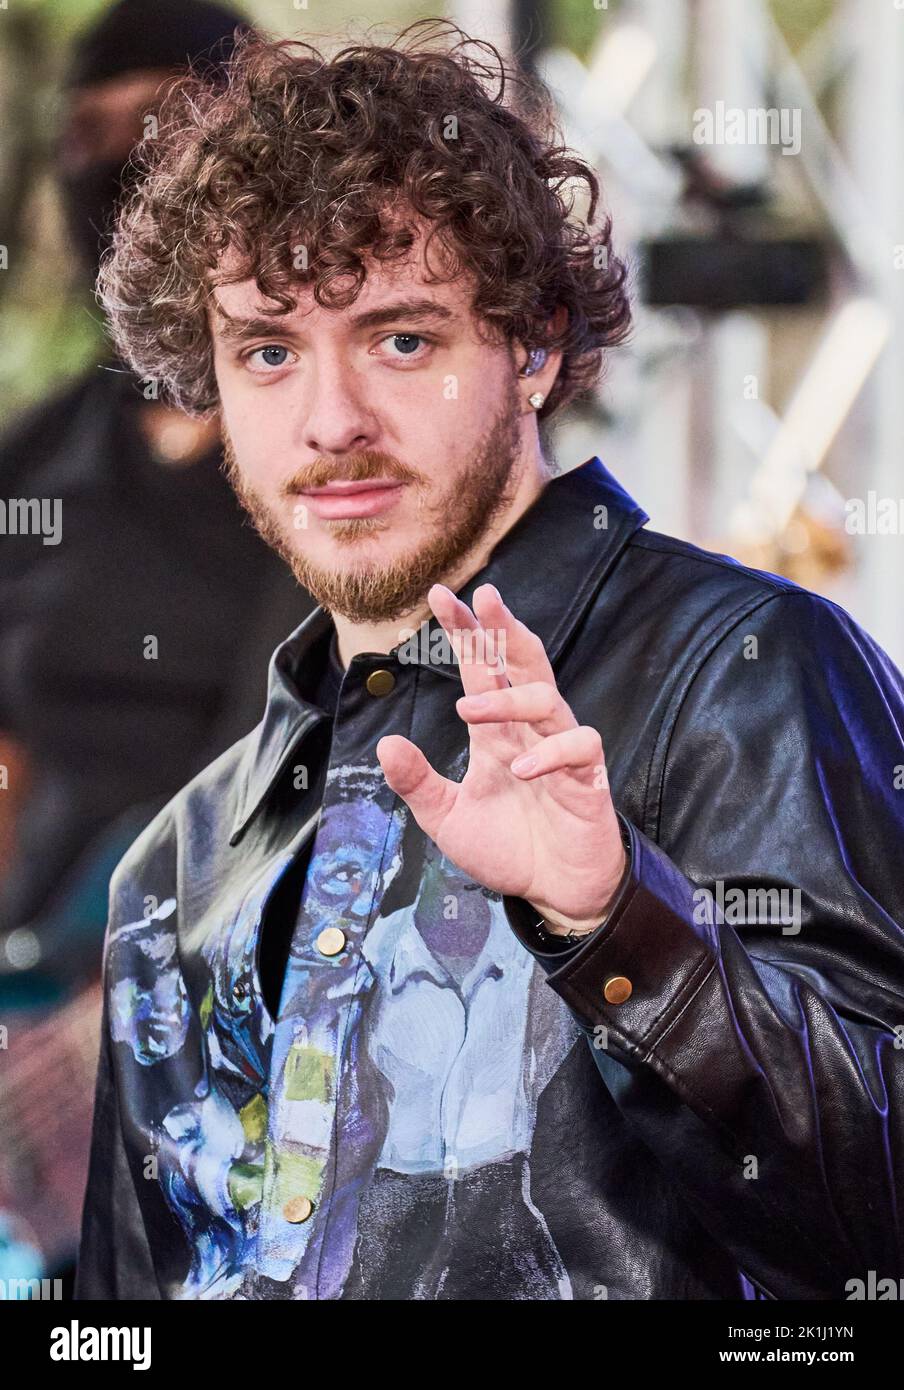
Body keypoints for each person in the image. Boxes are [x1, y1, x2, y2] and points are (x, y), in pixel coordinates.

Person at [75, 20, 904, 1301]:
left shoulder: (743, 673)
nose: (332, 420)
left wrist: (617, 924)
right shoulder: (174, 869)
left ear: (534, 346)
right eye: (268, 352)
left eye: (402, 339)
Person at [0, 0, 314, 977]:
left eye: (159, 128)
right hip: (52, 967)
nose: (119, 165)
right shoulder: (40, 457)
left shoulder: (337, 449)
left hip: (273, 959)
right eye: (90, 136)